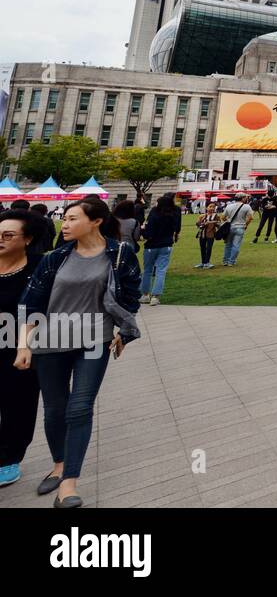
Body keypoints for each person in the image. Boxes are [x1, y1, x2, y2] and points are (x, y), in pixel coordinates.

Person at [15, 197, 141, 508]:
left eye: (73, 218)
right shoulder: (55, 258)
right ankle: (58, 465)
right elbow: (30, 304)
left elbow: (130, 293)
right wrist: (23, 344)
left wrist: (124, 333)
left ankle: (69, 483)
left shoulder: (120, 253)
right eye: (65, 219)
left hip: (93, 341)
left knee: (80, 408)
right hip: (50, 342)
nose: (65, 224)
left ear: (95, 221)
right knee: (55, 410)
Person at [0, 211, 41, 489]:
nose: (0, 240)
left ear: (27, 239)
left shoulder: (39, 267)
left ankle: (8, 459)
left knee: (18, 405)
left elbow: (42, 309)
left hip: (20, 349)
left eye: (8, 235)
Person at [139, 194, 181, 306]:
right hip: (166, 245)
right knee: (161, 271)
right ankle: (155, 296)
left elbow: (149, 232)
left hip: (151, 245)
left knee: (147, 270)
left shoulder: (154, 213)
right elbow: (177, 228)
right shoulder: (174, 214)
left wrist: (143, 230)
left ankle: (145, 295)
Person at [221, 193, 253, 267]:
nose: (246, 199)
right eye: (245, 197)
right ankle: (231, 261)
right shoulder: (247, 206)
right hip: (240, 227)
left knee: (228, 245)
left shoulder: (229, 206)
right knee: (236, 245)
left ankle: (225, 261)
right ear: (242, 198)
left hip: (230, 227)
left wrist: (228, 221)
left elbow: (222, 217)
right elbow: (250, 217)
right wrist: (246, 225)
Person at [194, 202, 220, 269]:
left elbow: (219, 224)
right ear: (206, 208)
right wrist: (201, 224)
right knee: (202, 248)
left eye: (213, 207)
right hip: (202, 234)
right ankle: (203, 262)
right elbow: (198, 224)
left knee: (209, 248)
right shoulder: (202, 216)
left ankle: (207, 262)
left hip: (211, 234)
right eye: (210, 206)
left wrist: (213, 222)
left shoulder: (216, 216)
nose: (212, 208)